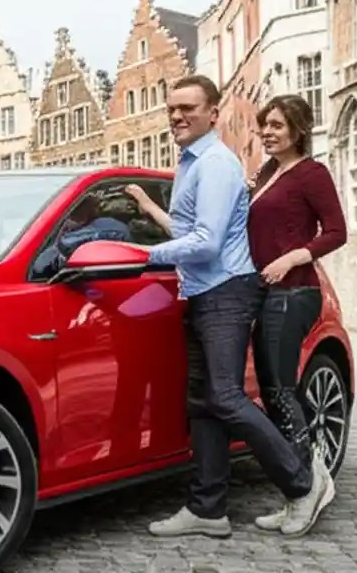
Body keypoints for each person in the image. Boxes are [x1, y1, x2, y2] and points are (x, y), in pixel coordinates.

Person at [125, 75, 333, 539]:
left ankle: (303, 483)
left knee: (224, 396)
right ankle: (208, 509)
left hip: (225, 291)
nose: (176, 116)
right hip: (202, 291)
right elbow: (188, 229)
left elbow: (206, 243)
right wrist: (149, 211)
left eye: (188, 108)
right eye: (171, 109)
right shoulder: (192, 162)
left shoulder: (215, 163)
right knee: (203, 403)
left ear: (213, 114)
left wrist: (143, 256)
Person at [244, 94, 348, 532]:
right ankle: (299, 489)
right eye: (264, 124)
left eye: (277, 125)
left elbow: (338, 231)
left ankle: (308, 487)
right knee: (271, 393)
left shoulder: (312, 173)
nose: (268, 132)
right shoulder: (268, 172)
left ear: (298, 130)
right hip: (267, 293)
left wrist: (294, 257)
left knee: (283, 391)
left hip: (295, 292)